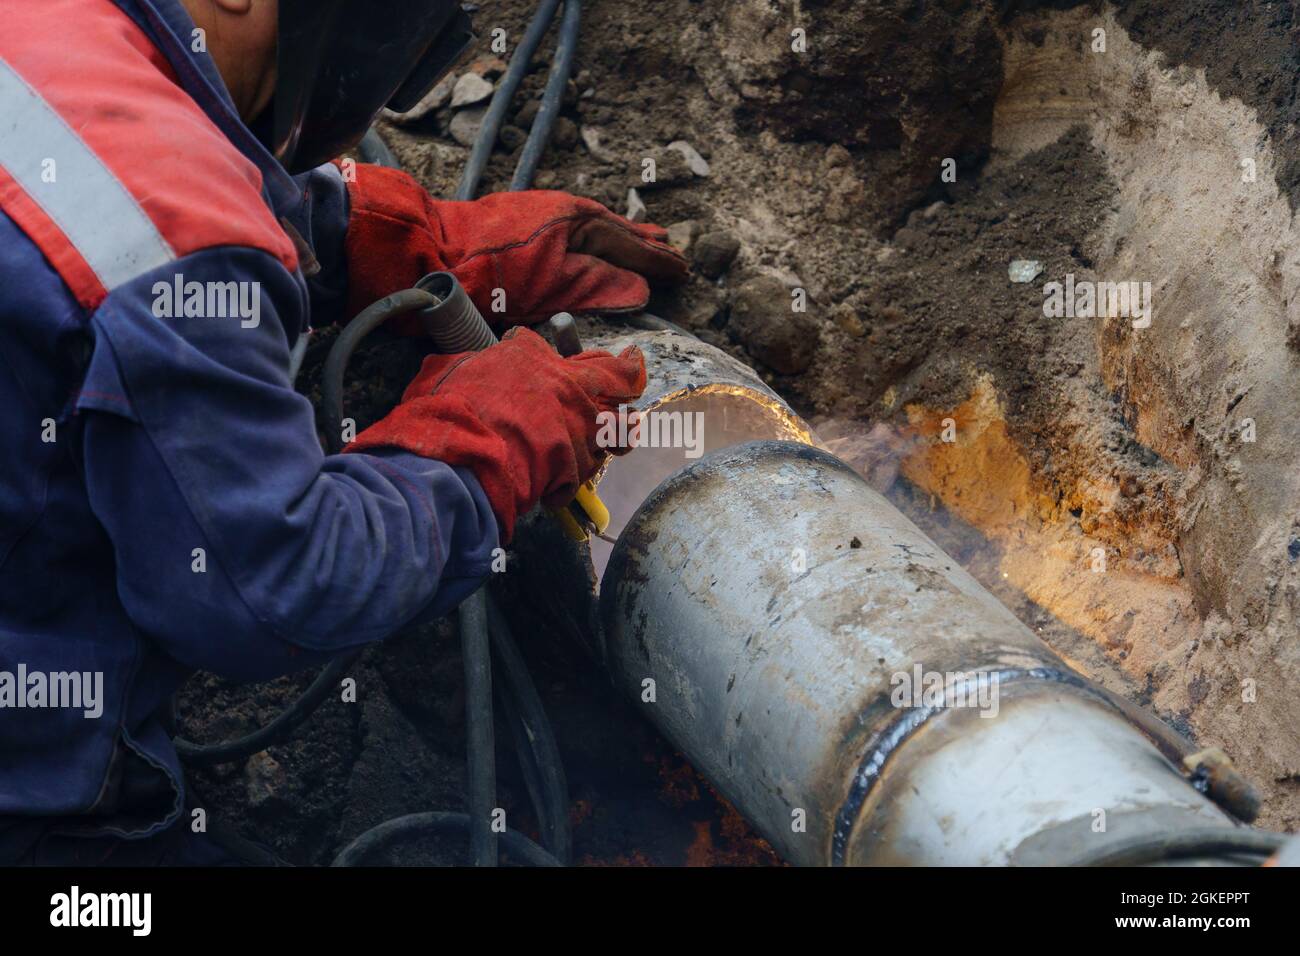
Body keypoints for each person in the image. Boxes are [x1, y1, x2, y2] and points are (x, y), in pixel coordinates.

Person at [0, 0, 687, 864]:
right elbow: (273, 590)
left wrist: (361, 232)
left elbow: (81, 192)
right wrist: (484, 443)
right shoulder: (169, 234)